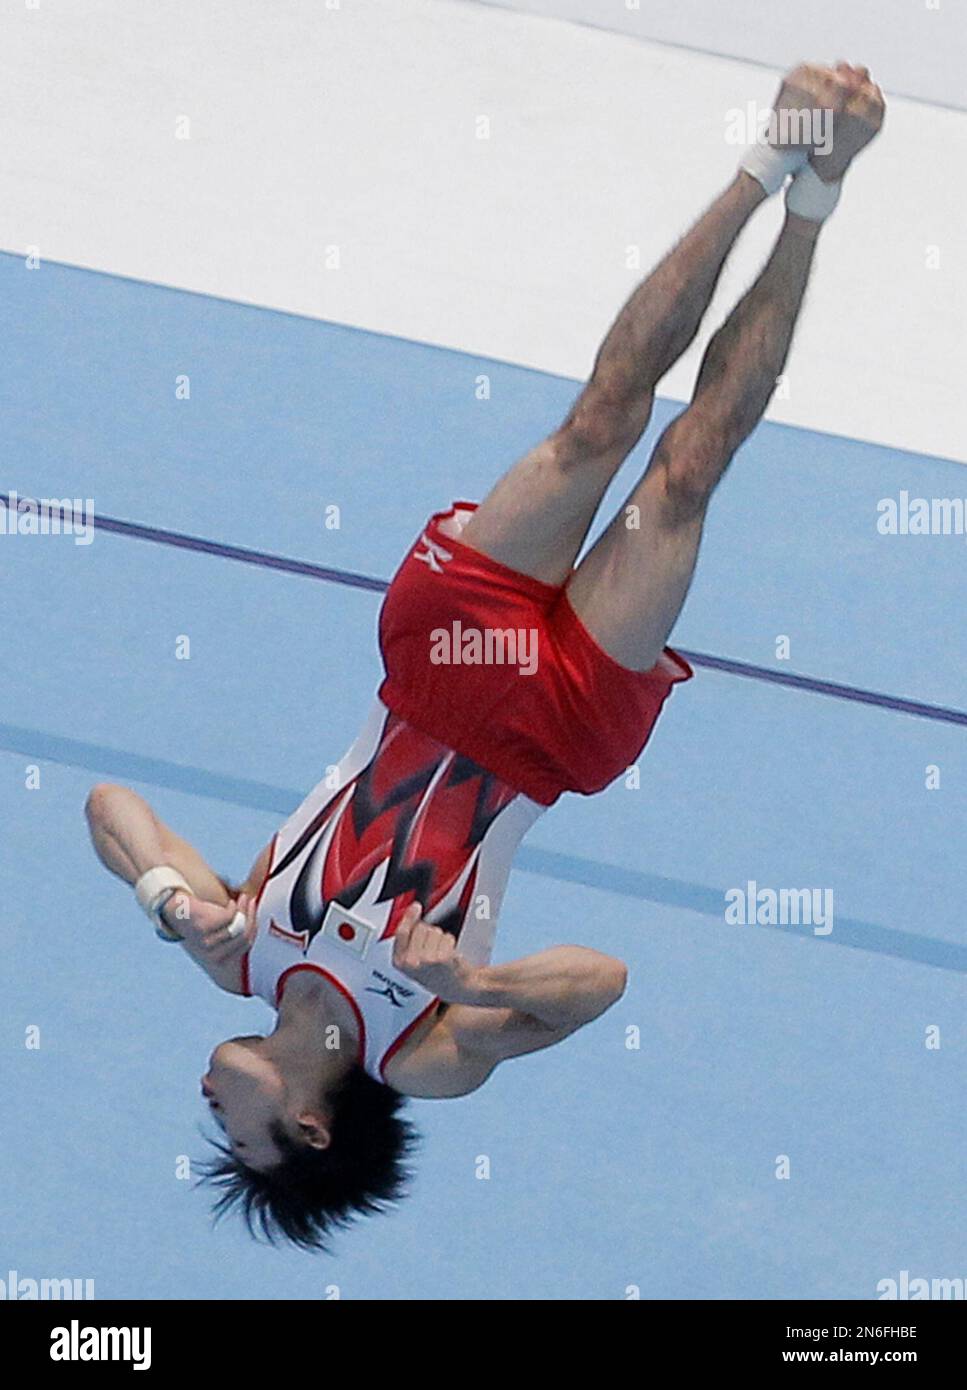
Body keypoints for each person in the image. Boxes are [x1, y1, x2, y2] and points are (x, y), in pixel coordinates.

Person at [85, 63, 884, 1250]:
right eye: (233, 1131)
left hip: (433, 671)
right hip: (552, 731)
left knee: (603, 416)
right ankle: (820, 195)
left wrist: (164, 895)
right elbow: (600, 980)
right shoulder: (425, 1057)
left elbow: (109, 808)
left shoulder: (234, 955)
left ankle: (773, 155)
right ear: (308, 1128)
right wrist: (473, 987)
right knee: (682, 474)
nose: (208, 1103)